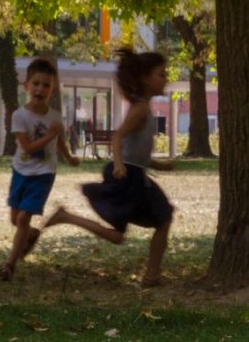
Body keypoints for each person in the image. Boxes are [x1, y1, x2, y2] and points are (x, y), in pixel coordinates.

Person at [46, 46, 176, 287]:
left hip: (135, 175)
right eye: (161, 74)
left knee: (161, 218)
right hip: (126, 178)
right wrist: (118, 165)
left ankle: (152, 275)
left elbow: (135, 151)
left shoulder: (144, 108)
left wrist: (159, 164)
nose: (165, 79)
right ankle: (66, 216)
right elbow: (118, 138)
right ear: (144, 79)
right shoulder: (140, 110)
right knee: (130, 231)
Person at [0, 55, 71, 280]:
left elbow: (59, 139)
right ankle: (31, 234)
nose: (40, 89)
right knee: (15, 219)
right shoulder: (19, 116)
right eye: (36, 83)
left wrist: (68, 156)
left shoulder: (55, 117)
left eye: (46, 85)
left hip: (44, 174)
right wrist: (51, 135)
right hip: (21, 171)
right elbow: (27, 147)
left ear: (52, 90)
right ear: (26, 86)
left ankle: (9, 265)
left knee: (22, 219)